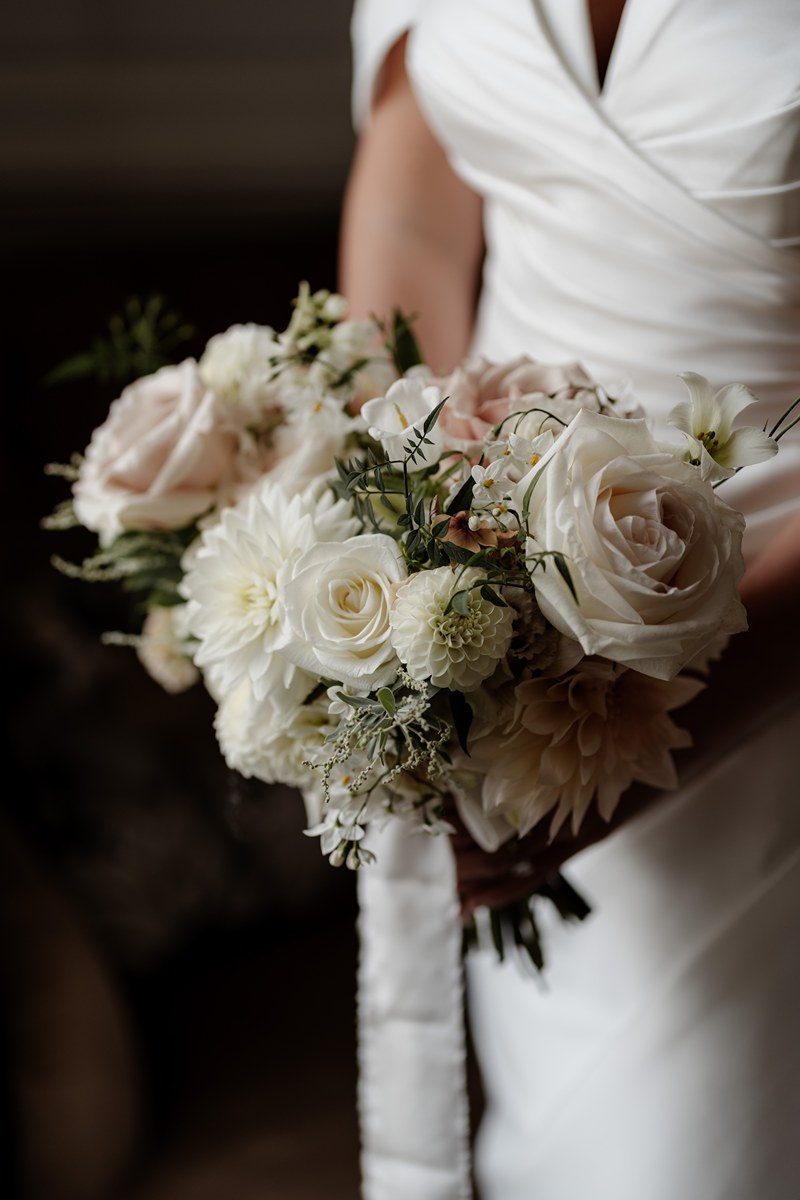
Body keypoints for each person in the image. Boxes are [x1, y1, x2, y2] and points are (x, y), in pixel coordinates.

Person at [339, 2, 800, 1197]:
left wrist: (648, 717)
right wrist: (401, 575)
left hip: (770, 691)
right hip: (509, 678)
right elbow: (410, 226)